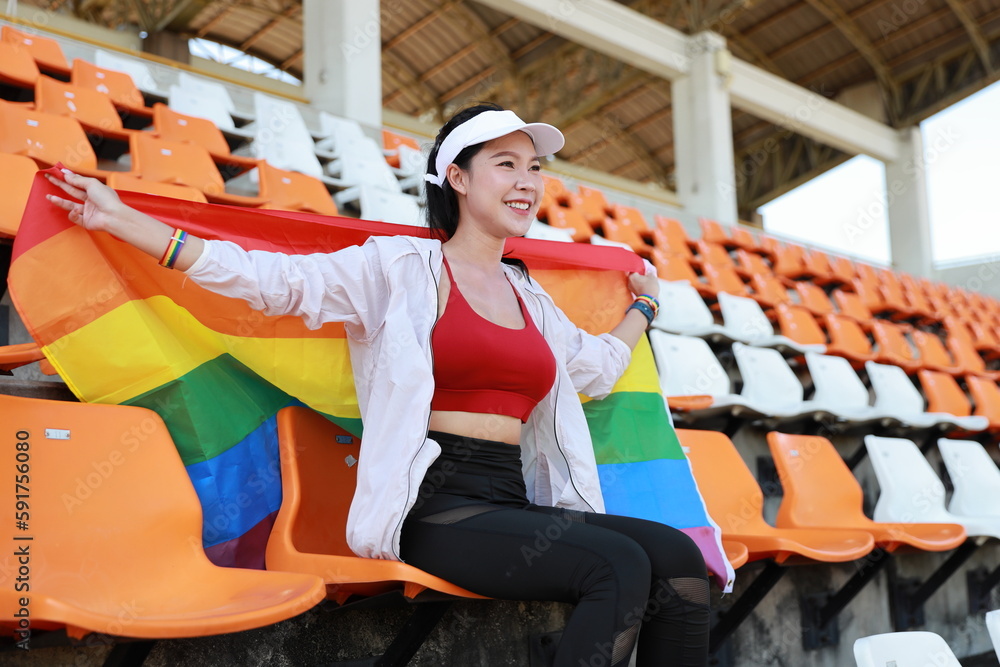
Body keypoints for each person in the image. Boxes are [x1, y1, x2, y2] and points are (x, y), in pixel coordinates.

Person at [46, 102, 710, 666]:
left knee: (680, 558)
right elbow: (270, 282)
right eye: (505, 164)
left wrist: (643, 309)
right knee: (616, 566)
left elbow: (593, 365)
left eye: (534, 167)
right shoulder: (395, 267)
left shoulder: (528, 295)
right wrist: (125, 221)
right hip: (437, 506)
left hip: (515, 500)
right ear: (457, 176)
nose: (527, 180)